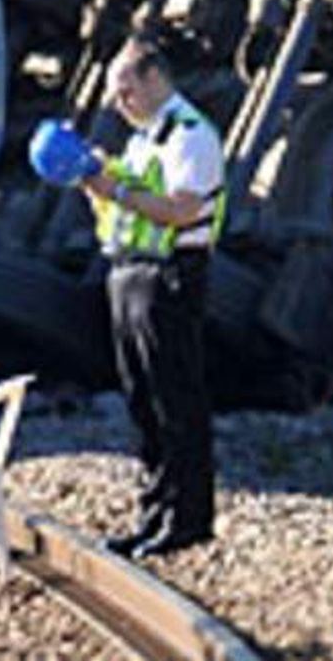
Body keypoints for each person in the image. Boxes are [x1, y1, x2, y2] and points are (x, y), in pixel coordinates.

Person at [79, 38, 225, 559]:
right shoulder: (144, 139)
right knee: (142, 400)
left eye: (127, 90)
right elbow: (130, 203)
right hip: (130, 270)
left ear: (156, 78)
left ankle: (187, 517)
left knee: (174, 397)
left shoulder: (189, 135)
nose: (120, 103)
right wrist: (95, 179)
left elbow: (182, 209)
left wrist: (116, 191)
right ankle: (155, 510)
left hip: (168, 274)